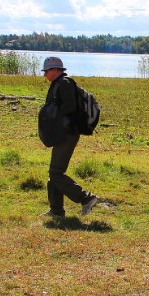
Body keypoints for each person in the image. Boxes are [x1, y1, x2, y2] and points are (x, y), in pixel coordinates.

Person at [39, 56, 100, 218]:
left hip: (67, 134)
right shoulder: (58, 84)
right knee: (54, 174)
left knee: (56, 173)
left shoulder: (64, 83)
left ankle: (86, 198)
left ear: (55, 70)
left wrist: (52, 113)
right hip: (63, 133)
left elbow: (70, 106)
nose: (45, 74)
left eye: (46, 71)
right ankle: (56, 211)